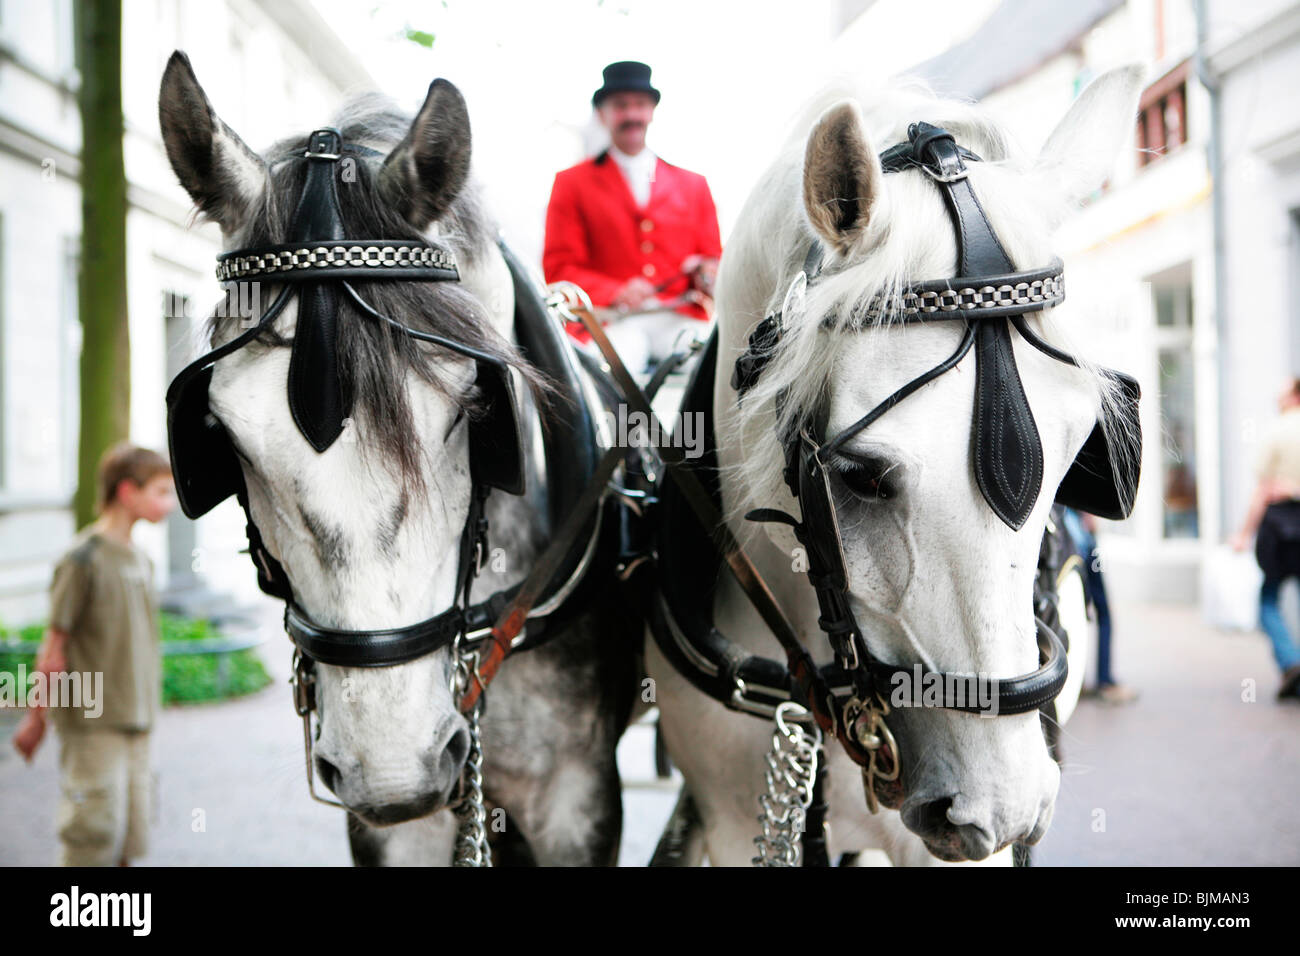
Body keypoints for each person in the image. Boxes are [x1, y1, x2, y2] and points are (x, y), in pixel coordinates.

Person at [11, 443, 175, 865]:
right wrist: (35, 719)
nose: (170, 504)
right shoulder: (82, 559)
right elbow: (53, 650)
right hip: (93, 724)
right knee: (91, 836)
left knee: (130, 840)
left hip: (137, 722)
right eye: (160, 492)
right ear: (127, 492)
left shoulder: (143, 559)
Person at [543, 60, 722, 376]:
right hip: (614, 319)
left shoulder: (694, 185)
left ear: (651, 111)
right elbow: (560, 268)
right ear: (603, 114)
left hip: (677, 317)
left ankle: (695, 429)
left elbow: (713, 259)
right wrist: (615, 291)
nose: (631, 115)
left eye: (639, 105)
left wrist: (706, 273)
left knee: (715, 367)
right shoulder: (571, 183)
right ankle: (621, 429)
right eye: (621, 106)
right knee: (610, 370)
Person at [1232, 377, 1300, 700]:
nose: (1277, 398)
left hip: (1279, 530)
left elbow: (1261, 491)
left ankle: (1290, 661)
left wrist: (1244, 534)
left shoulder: (1277, 431)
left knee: (1267, 601)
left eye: (1282, 393)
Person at [1060, 506, 1138, 705]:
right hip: (1085, 544)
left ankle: (1076, 681)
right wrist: (1089, 514)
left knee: (1077, 612)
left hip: (1071, 545)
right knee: (1103, 613)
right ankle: (1105, 681)